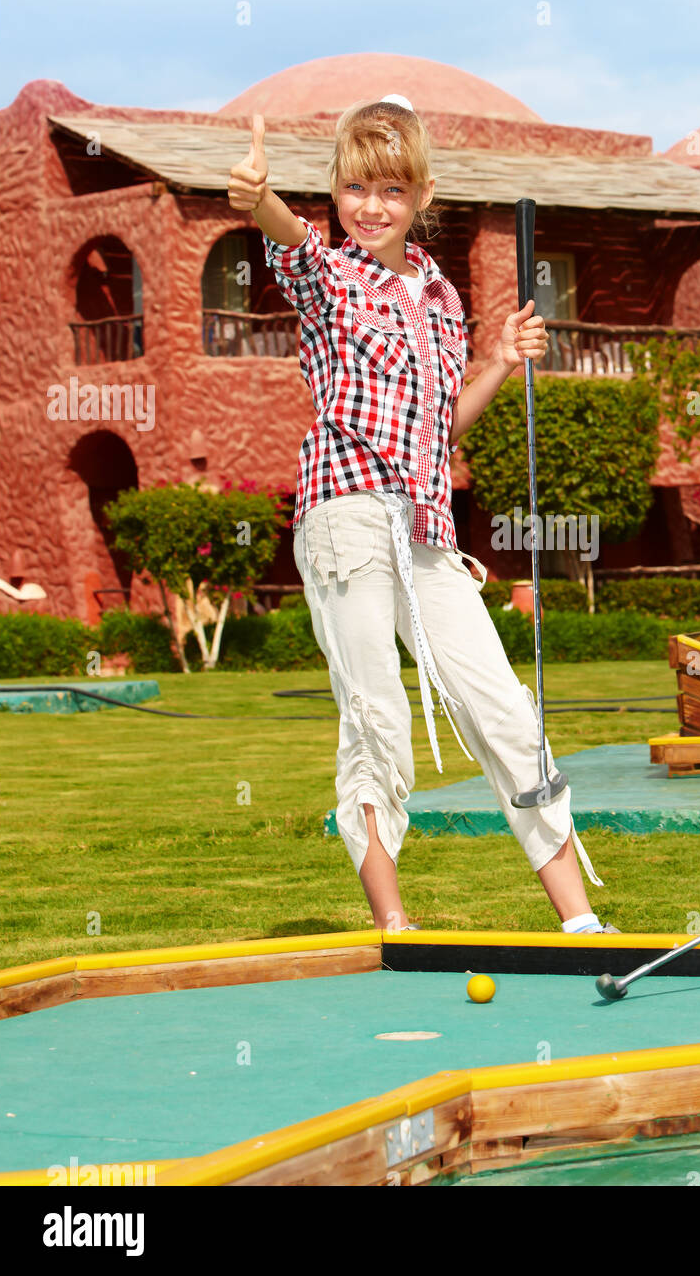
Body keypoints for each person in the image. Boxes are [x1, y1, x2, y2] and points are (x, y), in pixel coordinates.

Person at [227, 94, 614, 935]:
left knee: (503, 708)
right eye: (355, 188)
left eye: (390, 191)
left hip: (425, 531)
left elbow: (440, 428)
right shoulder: (328, 273)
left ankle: (581, 923)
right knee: (378, 716)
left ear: (421, 196)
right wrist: (258, 198)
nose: (371, 206)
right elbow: (288, 242)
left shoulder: (438, 295)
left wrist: (501, 361)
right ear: (335, 191)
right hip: (345, 518)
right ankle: (394, 928)